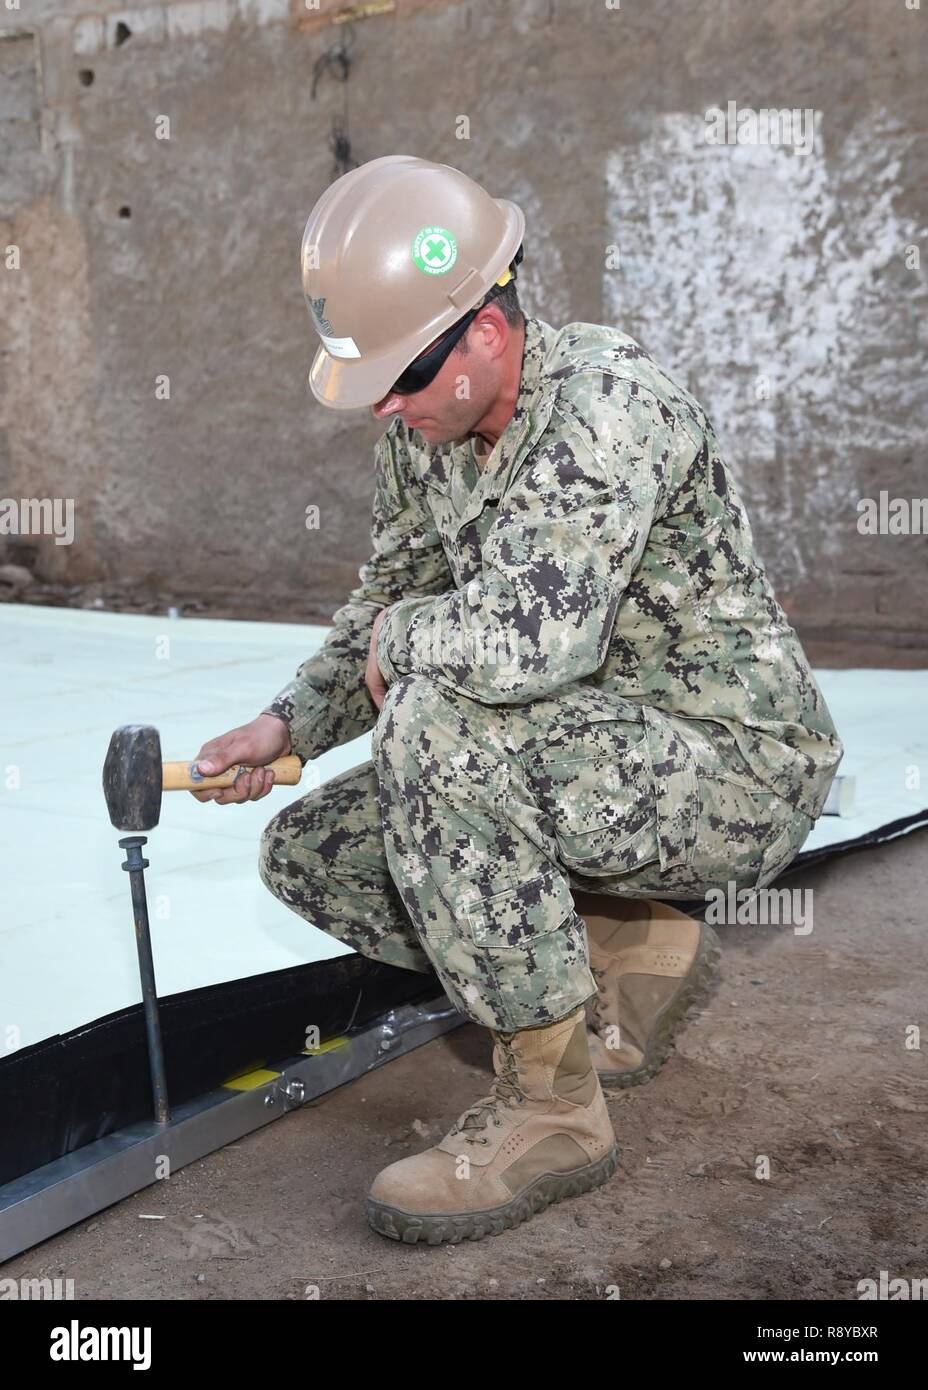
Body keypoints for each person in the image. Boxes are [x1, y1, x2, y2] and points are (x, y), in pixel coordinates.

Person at [191, 155, 843, 1246]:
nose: (388, 409)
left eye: (403, 378)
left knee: (435, 726)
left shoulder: (603, 406)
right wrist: (287, 724)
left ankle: (553, 1110)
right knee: (313, 851)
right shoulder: (427, 433)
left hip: (731, 767)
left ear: (486, 329)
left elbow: (528, 642)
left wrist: (402, 645)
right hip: (584, 757)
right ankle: (626, 940)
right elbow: (389, 599)